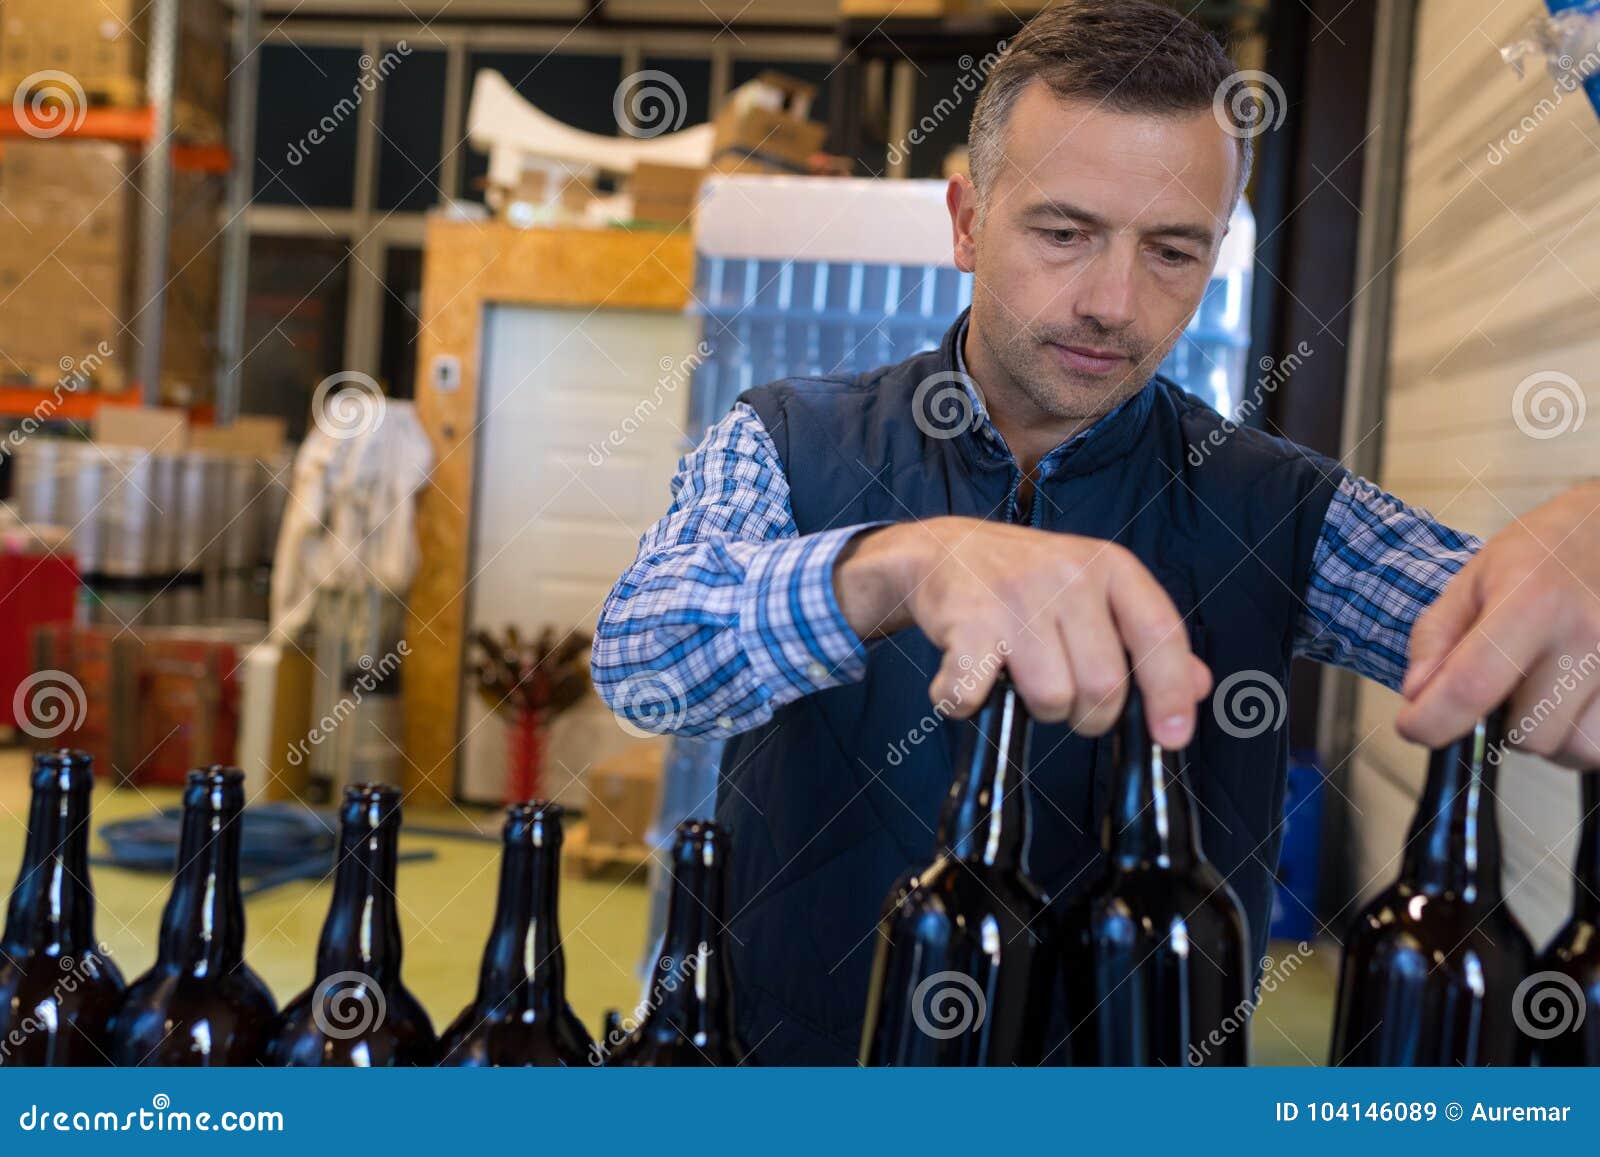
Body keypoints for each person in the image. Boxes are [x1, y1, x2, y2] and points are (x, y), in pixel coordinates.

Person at [592, 0, 1600, 1064]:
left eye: (1172, 249)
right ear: (968, 220)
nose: (1113, 302)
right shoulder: (789, 439)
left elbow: (1523, 632)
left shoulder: (1282, 509)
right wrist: (898, 565)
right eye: (1063, 234)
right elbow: (642, 663)